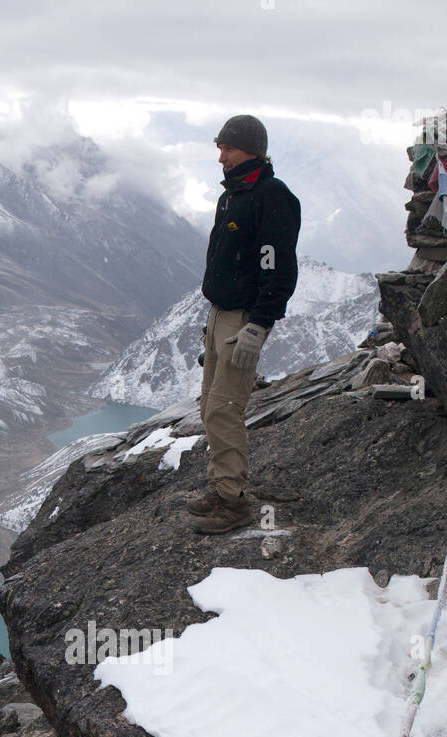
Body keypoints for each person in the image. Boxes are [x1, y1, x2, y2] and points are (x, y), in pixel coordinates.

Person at [189, 114, 301, 534]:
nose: (221, 157)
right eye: (219, 148)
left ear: (252, 151)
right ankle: (220, 487)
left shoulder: (271, 197)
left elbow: (279, 267)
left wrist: (259, 324)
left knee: (224, 408)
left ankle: (232, 503)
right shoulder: (232, 196)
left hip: (241, 319)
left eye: (228, 149)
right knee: (208, 406)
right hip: (219, 313)